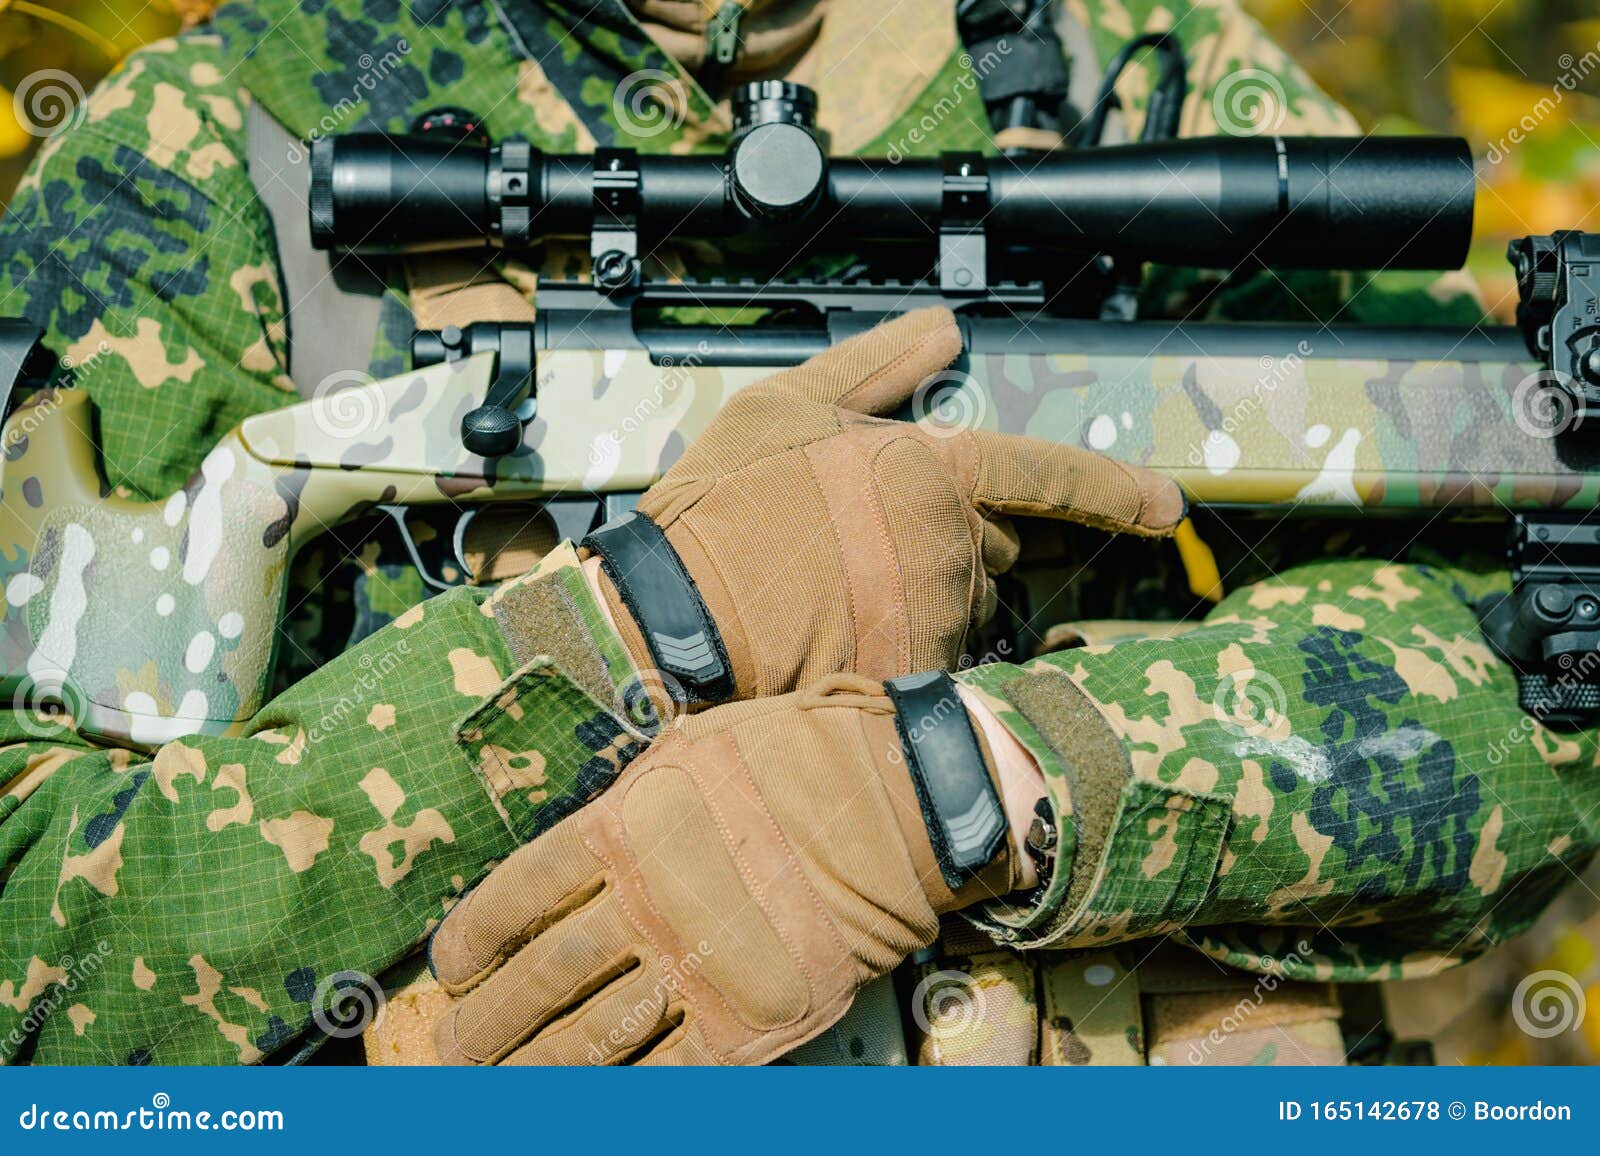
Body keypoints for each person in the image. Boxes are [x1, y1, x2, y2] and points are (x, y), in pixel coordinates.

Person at [0, 0, 1579, 1066]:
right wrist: (632, 625)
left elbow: (1540, 696)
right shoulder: (221, 143)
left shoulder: (1126, 61)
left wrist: (990, 777)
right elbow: (31, 960)